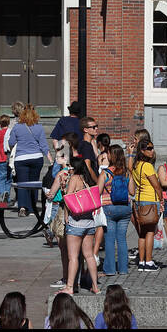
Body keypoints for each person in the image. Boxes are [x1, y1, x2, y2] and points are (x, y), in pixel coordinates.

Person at [57, 124, 103, 295]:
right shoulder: (88, 179)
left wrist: (67, 215)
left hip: (76, 223)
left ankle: (70, 286)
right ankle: (95, 286)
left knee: (73, 257)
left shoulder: (75, 178)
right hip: (89, 222)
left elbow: (68, 199)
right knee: (90, 256)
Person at [6, 106, 49, 216]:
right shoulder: (39, 127)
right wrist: (50, 158)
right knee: (34, 183)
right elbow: (43, 145)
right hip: (36, 158)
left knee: (22, 184)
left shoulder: (17, 127)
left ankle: (23, 207)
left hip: (21, 158)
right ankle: (32, 208)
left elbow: (10, 142)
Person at [130, 137, 164, 271]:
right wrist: (161, 200)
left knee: (142, 233)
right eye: (149, 149)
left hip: (139, 201)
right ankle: (149, 261)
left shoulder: (136, 165)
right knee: (150, 232)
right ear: (142, 151)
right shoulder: (148, 166)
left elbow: (129, 168)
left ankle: (142, 261)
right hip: (150, 200)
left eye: (152, 148)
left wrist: (130, 155)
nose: (152, 151)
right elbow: (156, 185)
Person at [101, 145, 133, 277]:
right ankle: (123, 268)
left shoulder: (106, 173)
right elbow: (132, 191)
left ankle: (110, 270)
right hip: (125, 208)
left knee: (109, 239)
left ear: (111, 155)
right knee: (122, 239)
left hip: (109, 208)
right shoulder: (126, 172)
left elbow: (97, 192)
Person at [0, 114, 12, 206]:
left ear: (0, 124)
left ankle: (2, 193)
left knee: (1, 178)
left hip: (1, 158)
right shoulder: (10, 132)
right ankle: (7, 196)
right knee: (9, 179)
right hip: (9, 158)